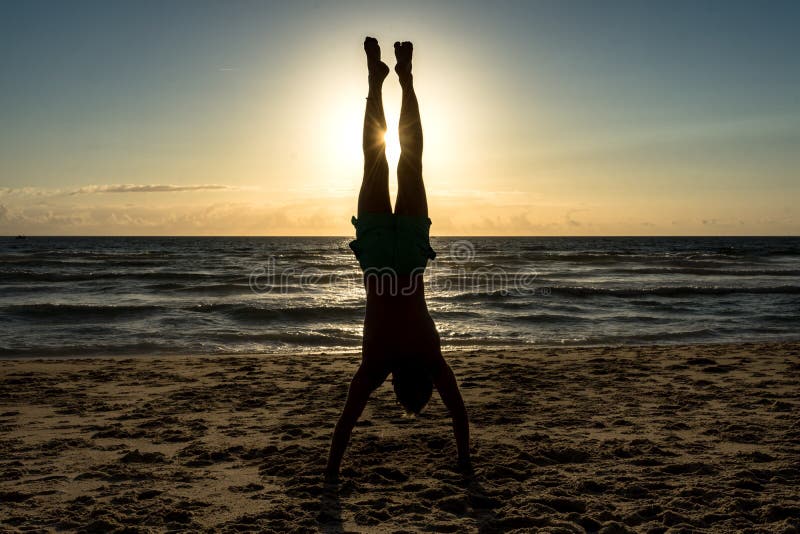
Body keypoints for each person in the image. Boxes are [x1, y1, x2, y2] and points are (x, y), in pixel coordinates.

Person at [325, 37, 470, 481]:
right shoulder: (375, 366)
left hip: (407, 256)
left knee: (410, 161)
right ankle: (376, 80)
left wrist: (466, 460)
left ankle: (404, 80)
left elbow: (459, 414)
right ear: (395, 382)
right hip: (376, 259)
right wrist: (331, 471)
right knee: (375, 159)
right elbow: (345, 423)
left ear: (424, 379)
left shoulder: (431, 356)